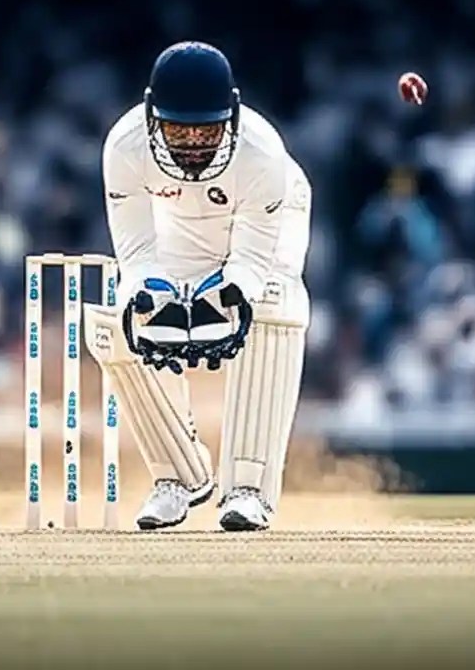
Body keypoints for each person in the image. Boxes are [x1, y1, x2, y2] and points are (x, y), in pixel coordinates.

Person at [82, 41, 312, 531]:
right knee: (120, 326)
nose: (191, 142)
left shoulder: (262, 152)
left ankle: (248, 489)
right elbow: (137, 255)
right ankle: (178, 476)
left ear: (231, 114)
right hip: (180, 225)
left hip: (268, 218)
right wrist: (144, 297)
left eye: (206, 129)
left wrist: (234, 296)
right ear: (151, 115)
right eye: (177, 128)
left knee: (273, 306)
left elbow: (251, 260)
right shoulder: (124, 146)